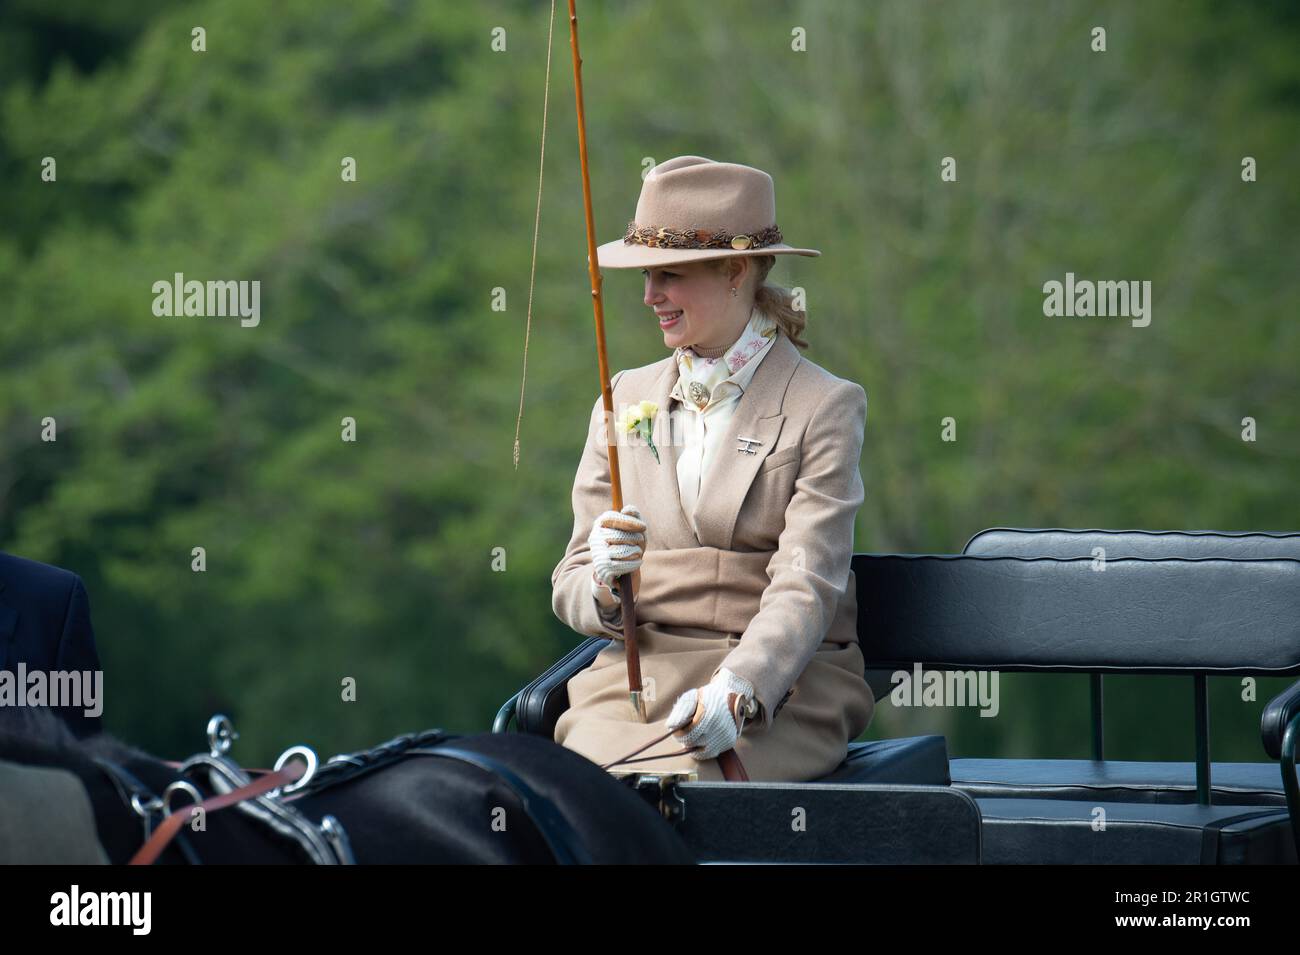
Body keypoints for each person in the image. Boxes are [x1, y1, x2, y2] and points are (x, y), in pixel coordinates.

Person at [550, 155, 873, 782]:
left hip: (787, 685)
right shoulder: (623, 398)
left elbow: (808, 579)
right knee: (568, 796)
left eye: (669, 274)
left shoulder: (825, 406)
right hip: (635, 680)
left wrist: (739, 689)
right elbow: (569, 578)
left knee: (679, 793)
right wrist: (603, 583)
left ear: (733, 271)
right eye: (645, 276)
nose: (649, 297)